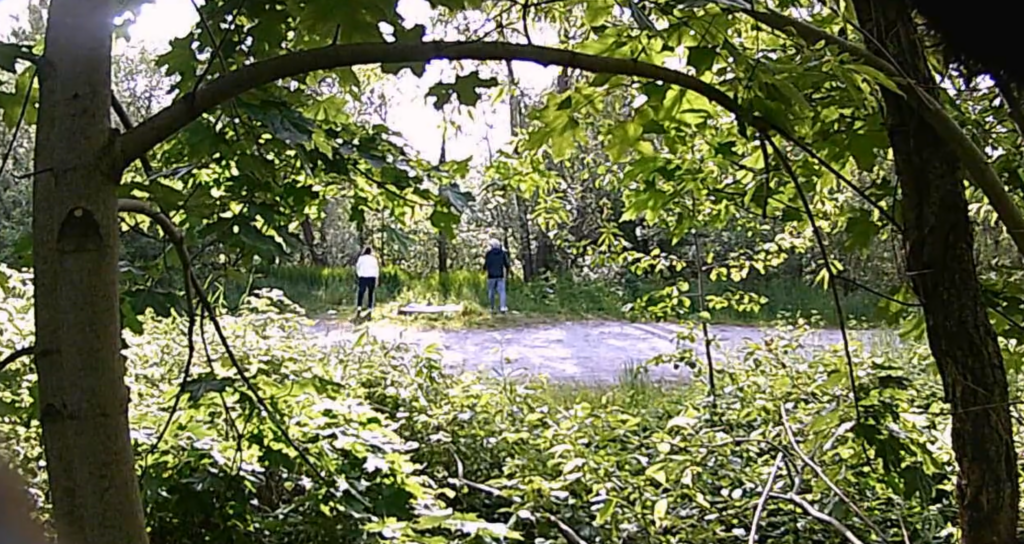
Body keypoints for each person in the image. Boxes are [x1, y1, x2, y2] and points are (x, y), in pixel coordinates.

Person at [483, 239, 511, 313]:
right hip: (500, 275)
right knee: (502, 292)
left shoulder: (488, 254)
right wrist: (507, 272)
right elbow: (507, 264)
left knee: (491, 292)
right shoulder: (502, 253)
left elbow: (486, 264)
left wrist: (484, 269)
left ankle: (492, 307)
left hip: (491, 276)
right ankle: (502, 307)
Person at [355, 246, 379, 312]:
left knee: (361, 292)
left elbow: (357, 267)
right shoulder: (374, 259)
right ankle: (370, 307)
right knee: (371, 293)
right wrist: (377, 278)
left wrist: (359, 274)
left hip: (363, 277)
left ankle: (359, 306)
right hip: (372, 277)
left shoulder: (361, 258)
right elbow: (376, 269)